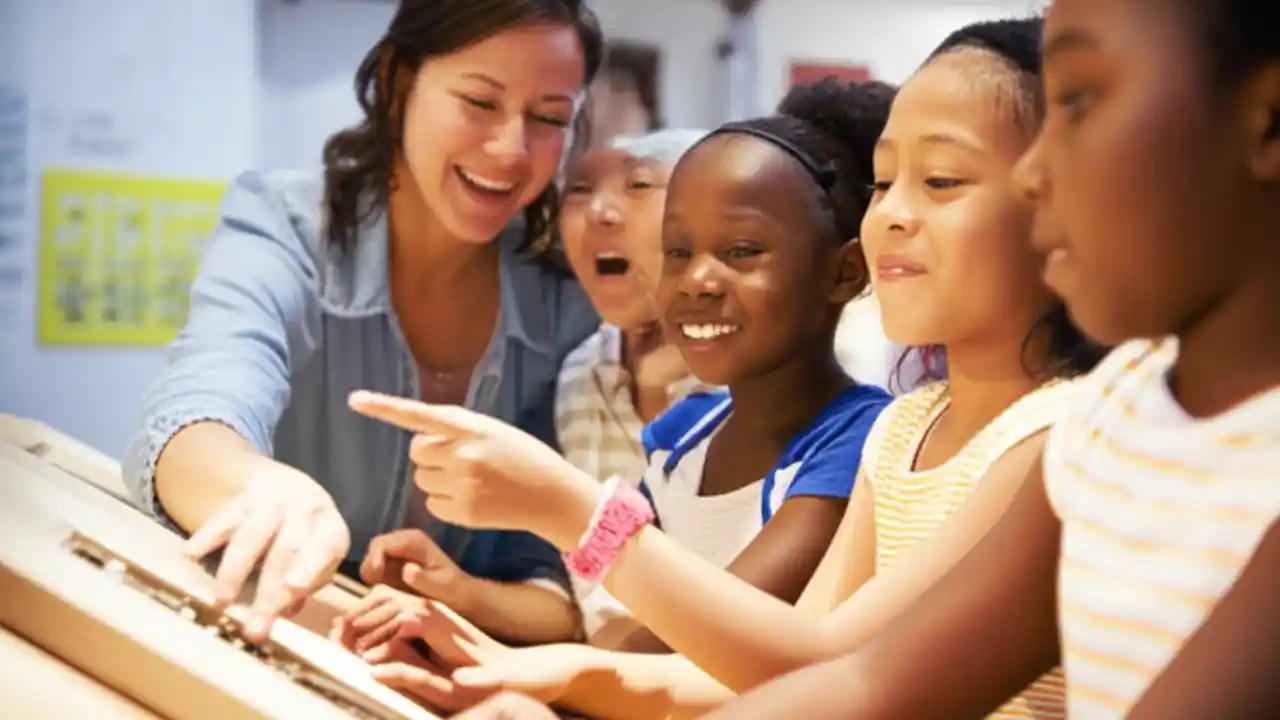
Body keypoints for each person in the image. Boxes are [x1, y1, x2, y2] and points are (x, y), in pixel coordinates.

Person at [348, 17, 1107, 719]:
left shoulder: (1055, 434)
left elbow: (835, 668)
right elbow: (782, 674)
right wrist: (544, 672)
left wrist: (576, 515)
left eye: (940, 180)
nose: (894, 214)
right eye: (883, 183)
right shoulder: (905, 427)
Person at [697, 0, 1280, 717]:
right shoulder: (1116, 410)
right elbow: (874, 683)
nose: (1033, 175)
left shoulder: (1063, 419)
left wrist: (594, 524)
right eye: (883, 182)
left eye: (1080, 102)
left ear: (1267, 121)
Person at [336, 77, 897, 708]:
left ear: (844, 272)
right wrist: (471, 644)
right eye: (677, 252)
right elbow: (623, 619)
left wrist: (519, 663)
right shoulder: (685, 432)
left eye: (741, 251)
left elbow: (712, 640)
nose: (698, 280)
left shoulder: (859, 442)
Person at [121, 0, 603, 645]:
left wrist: (464, 596)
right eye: (480, 102)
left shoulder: (567, 299)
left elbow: (562, 568)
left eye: (549, 119)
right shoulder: (289, 225)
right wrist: (257, 486)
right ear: (399, 81)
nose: (511, 149)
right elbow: (204, 396)